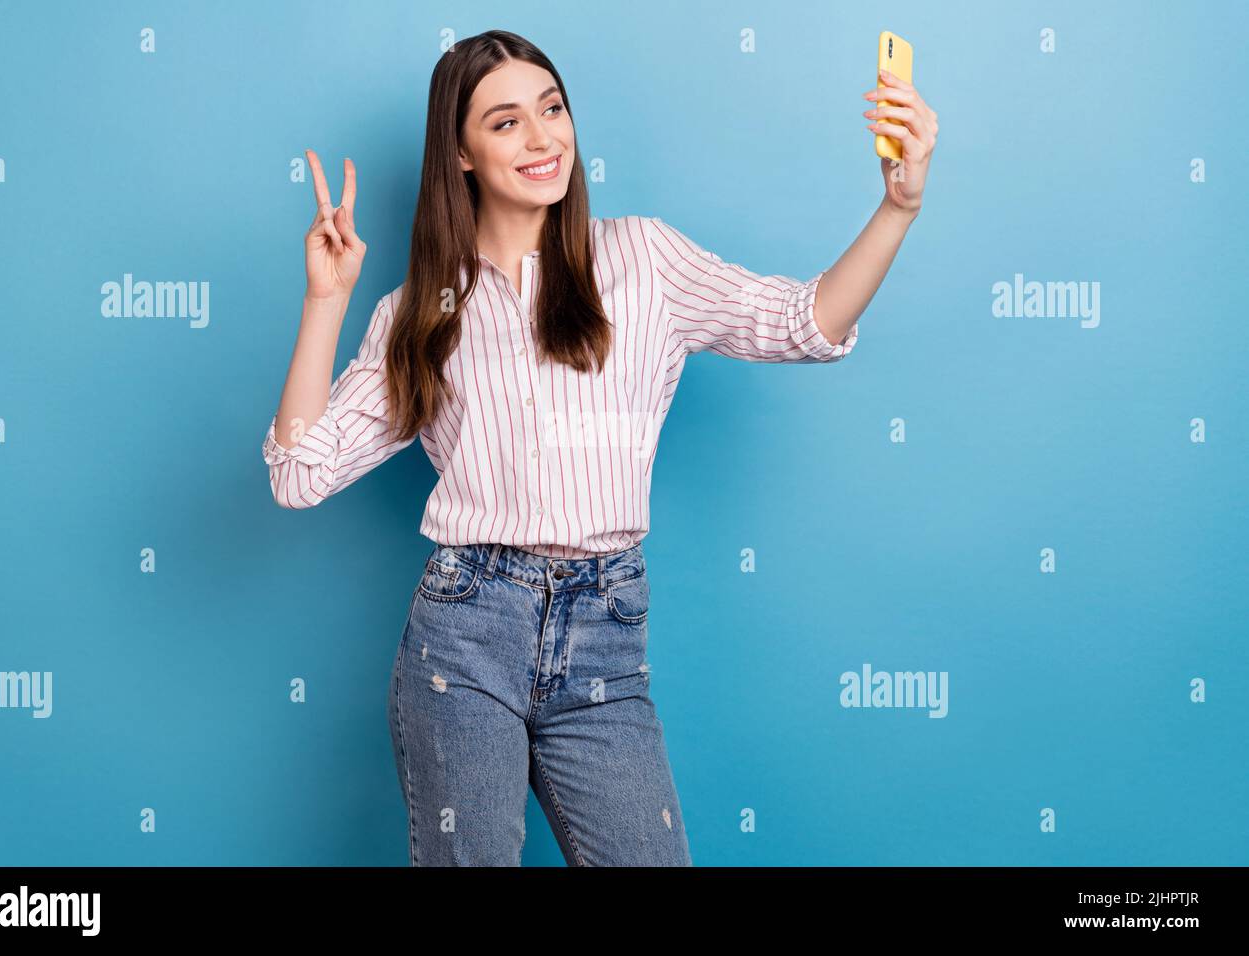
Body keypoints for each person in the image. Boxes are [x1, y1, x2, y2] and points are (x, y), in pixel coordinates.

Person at [262, 29, 936, 866]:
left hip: (605, 634)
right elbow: (300, 473)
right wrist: (325, 302)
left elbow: (805, 323)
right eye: (505, 123)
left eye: (551, 109)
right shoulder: (420, 311)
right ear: (461, 153)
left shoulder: (641, 260)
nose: (543, 139)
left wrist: (898, 207)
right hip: (465, 631)